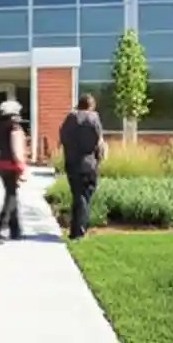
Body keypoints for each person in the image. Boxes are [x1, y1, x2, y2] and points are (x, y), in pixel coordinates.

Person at [59, 93, 104, 240]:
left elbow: (63, 138)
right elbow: (99, 142)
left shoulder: (70, 118)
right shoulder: (94, 118)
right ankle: (80, 230)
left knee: (78, 195)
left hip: (72, 162)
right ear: (91, 105)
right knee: (84, 195)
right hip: (89, 162)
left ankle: (76, 229)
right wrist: (99, 159)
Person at [0, 99, 27, 243]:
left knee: (11, 194)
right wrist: (22, 166)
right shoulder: (15, 128)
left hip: (1, 164)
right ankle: (0, 226)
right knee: (11, 196)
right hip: (12, 164)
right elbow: (17, 149)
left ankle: (15, 230)